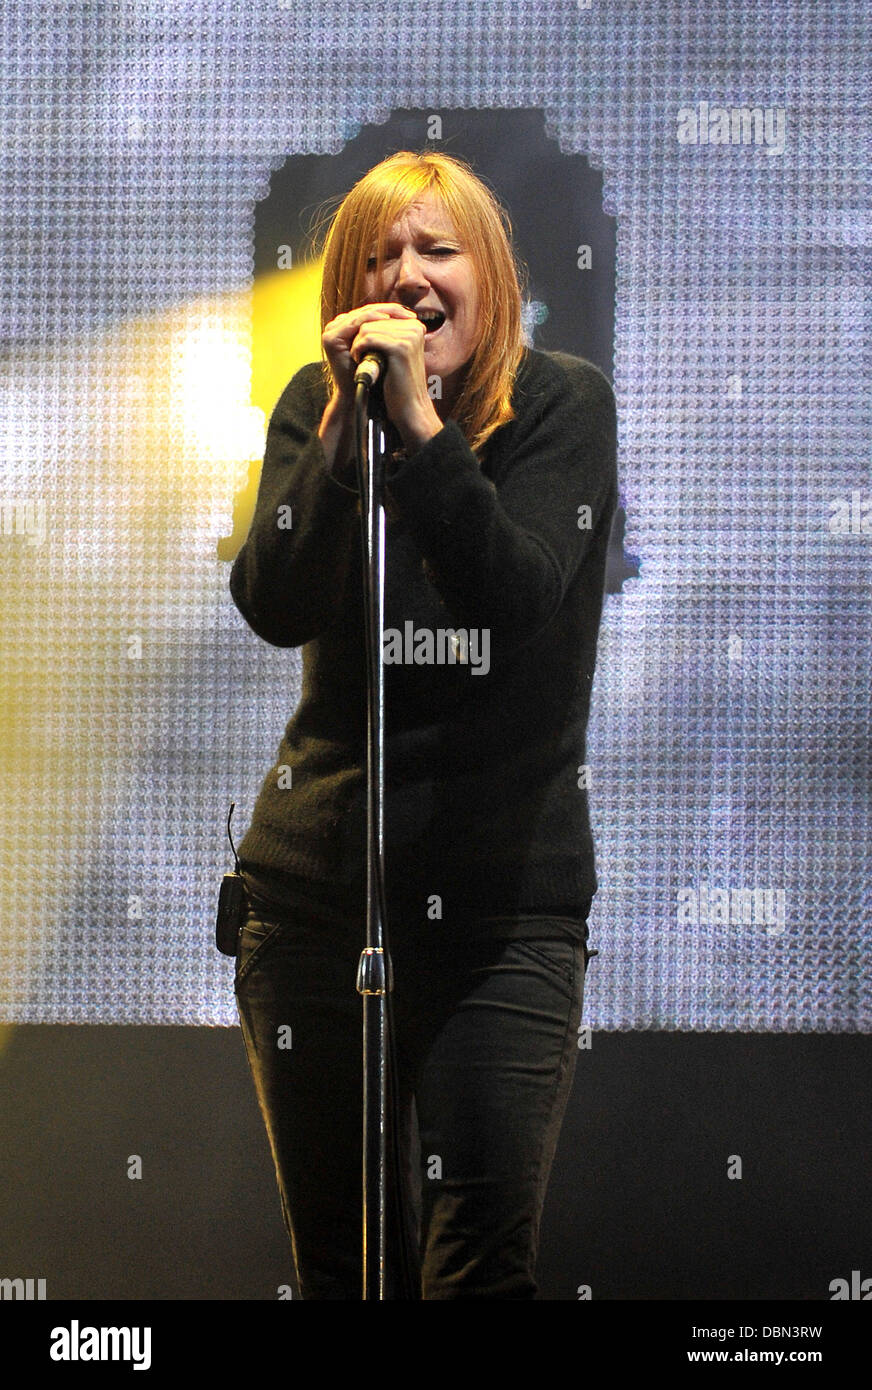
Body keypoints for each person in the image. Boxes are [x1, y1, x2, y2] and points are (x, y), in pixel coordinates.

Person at [228, 149, 618, 1300]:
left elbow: (516, 594)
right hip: (313, 902)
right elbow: (271, 599)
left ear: (487, 275)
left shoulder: (562, 403)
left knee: (476, 1274)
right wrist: (353, 443)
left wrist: (425, 432)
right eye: (378, 258)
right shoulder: (315, 410)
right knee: (342, 1271)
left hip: (497, 911)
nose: (405, 278)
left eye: (434, 250)